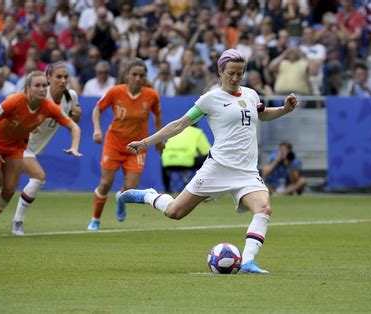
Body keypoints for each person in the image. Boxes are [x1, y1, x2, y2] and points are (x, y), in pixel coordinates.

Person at [118, 49, 299, 274]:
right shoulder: (210, 99)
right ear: (220, 71)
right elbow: (179, 124)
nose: (235, 78)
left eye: (239, 73)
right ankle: (148, 195)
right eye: (230, 73)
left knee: (263, 208)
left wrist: (284, 109)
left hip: (247, 172)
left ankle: (248, 262)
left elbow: (262, 114)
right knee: (175, 212)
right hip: (218, 168)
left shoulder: (251, 95)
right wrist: (146, 142)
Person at [0, 71, 82, 235]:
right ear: (27, 88)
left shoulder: (49, 107)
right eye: (37, 86)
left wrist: (74, 146)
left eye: (44, 86)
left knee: (9, 190)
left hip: (16, 147)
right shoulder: (15, 102)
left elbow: (74, 126)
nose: (42, 89)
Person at [87, 58, 163, 231]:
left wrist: (158, 140)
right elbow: (97, 109)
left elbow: (157, 115)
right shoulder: (115, 92)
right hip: (114, 143)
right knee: (105, 183)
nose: (137, 78)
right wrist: (96, 130)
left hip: (137, 146)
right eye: (134, 74)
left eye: (141, 75)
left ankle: (120, 200)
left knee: (131, 188)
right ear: (127, 75)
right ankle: (95, 219)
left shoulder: (151, 95)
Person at [161, 125, 211, 193]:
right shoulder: (197, 132)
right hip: (187, 162)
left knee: (163, 161)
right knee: (208, 159)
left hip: (168, 162)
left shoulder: (175, 131)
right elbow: (207, 152)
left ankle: (167, 189)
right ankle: (202, 186)